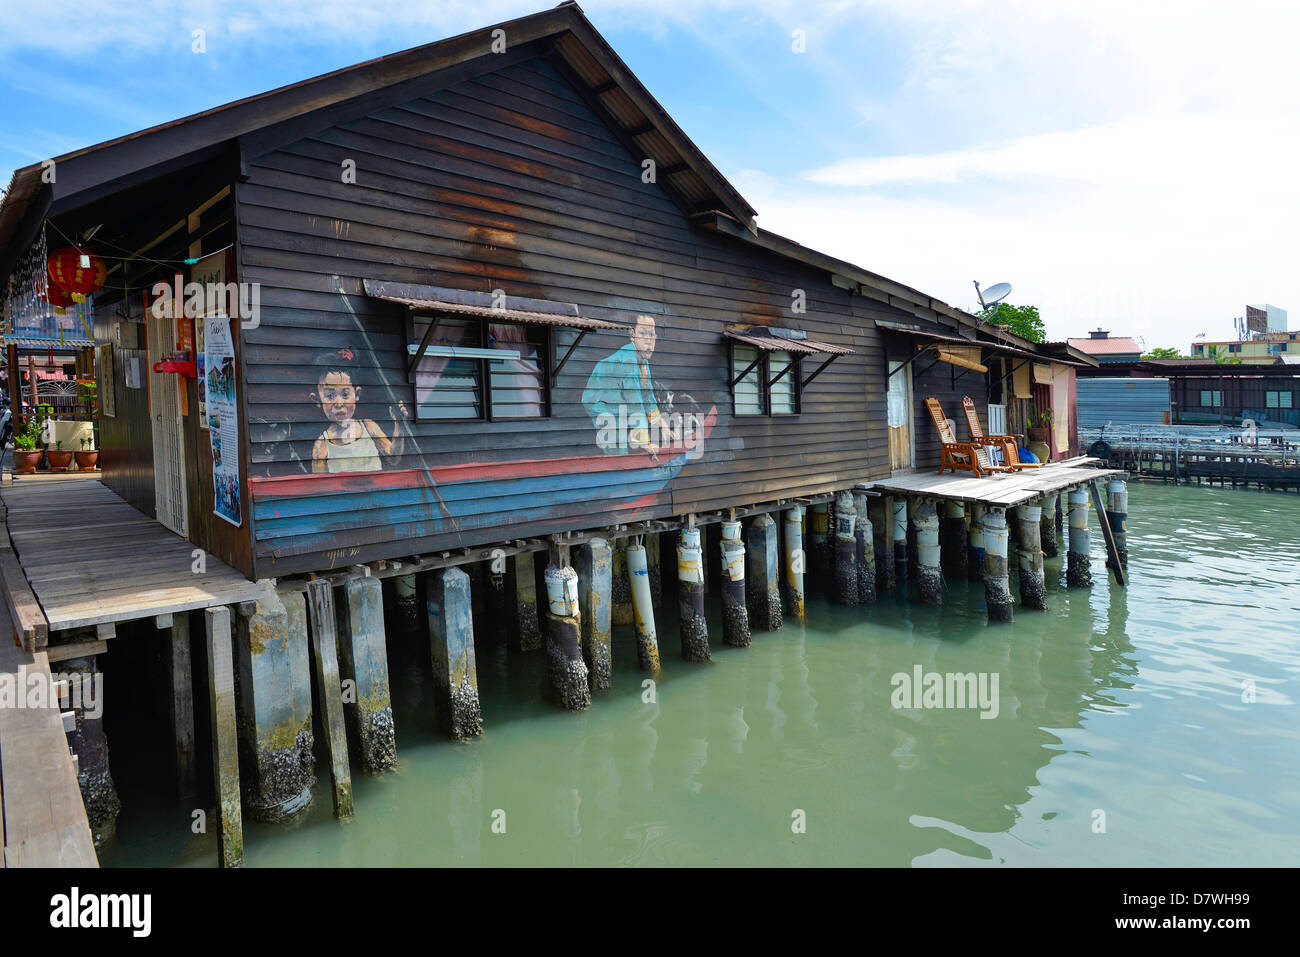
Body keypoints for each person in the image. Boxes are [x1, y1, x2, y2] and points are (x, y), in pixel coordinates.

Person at [310, 347, 406, 473]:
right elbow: (319, 484)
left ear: (357, 394)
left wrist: (399, 425)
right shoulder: (321, 444)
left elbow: (393, 459)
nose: (339, 403)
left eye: (345, 394)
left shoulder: (368, 426)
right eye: (330, 396)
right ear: (318, 400)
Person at [581, 314, 662, 456]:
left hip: (617, 398)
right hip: (599, 400)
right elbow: (634, 402)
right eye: (643, 334)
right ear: (633, 335)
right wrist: (646, 443)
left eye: (651, 334)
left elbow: (647, 395)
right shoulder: (628, 361)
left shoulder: (643, 359)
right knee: (617, 439)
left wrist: (663, 426)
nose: (648, 340)